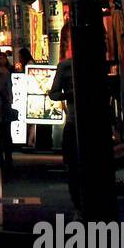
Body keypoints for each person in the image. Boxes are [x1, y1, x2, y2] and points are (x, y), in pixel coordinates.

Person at [48, 26, 79, 213]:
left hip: (90, 124)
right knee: (74, 168)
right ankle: (78, 205)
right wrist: (71, 93)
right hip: (73, 123)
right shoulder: (65, 66)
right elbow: (53, 93)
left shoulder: (96, 63)